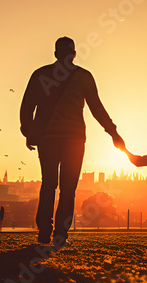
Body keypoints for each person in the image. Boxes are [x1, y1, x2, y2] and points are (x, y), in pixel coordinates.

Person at [21, 37, 124, 247]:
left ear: (55, 53)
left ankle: (44, 232)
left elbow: (27, 107)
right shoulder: (84, 77)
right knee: (69, 189)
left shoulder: (40, 74)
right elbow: (96, 108)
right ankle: (60, 235)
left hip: (47, 140)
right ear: (74, 54)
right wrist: (113, 132)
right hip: (74, 141)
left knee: (48, 185)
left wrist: (29, 132)